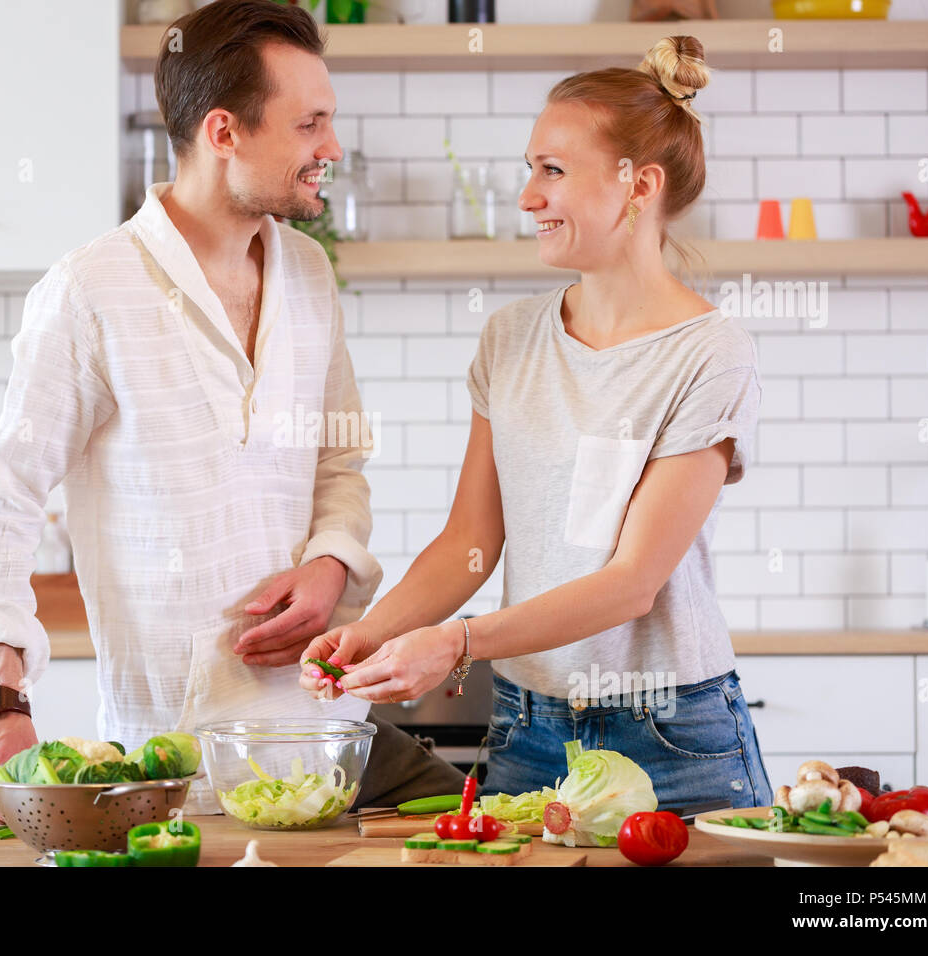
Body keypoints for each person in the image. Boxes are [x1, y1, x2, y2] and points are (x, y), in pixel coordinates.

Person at [0, 0, 463, 820]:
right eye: (310, 126)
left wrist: (331, 564)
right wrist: (0, 702)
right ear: (224, 132)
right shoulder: (91, 290)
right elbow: (6, 497)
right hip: (179, 770)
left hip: (329, 738)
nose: (331, 149)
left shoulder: (306, 271)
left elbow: (339, 459)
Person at [301, 36, 774, 810]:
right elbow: (470, 544)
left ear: (637, 186)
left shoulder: (711, 354)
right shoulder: (512, 338)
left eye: (552, 171)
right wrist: (373, 633)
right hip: (528, 728)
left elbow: (630, 584)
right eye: (531, 169)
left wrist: (457, 642)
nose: (527, 197)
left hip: (671, 735)